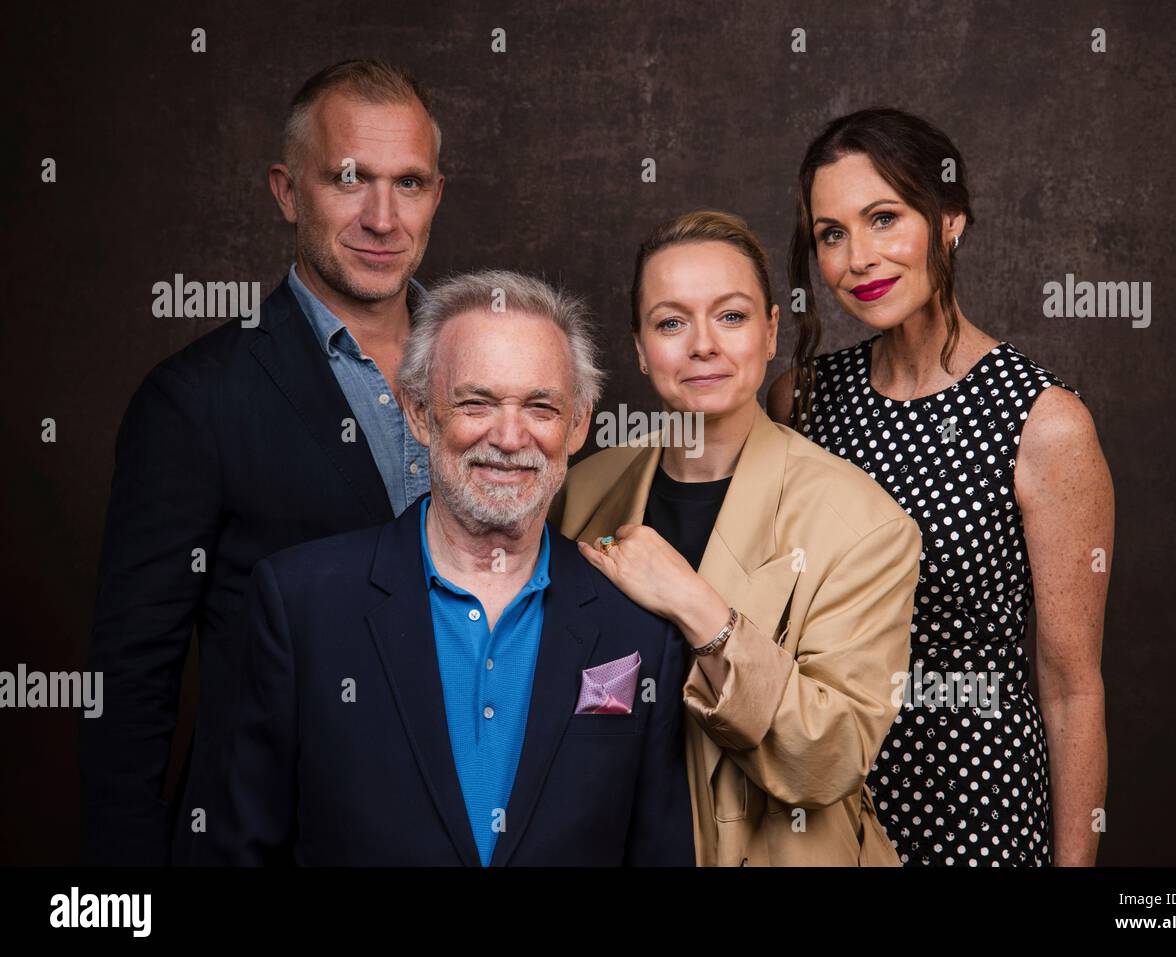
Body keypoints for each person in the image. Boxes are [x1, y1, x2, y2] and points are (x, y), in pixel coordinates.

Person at [82, 59, 445, 865]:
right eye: (350, 179)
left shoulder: (489, 374)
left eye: (409, 183)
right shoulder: (195, 401)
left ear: (435, 196)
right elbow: (132, 684)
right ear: (287, 191)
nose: (383, 217)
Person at [210, 271, 695, 866]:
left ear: (578, 425)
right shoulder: (300, 605)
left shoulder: (639, 631)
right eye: (476, 402)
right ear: (418, 413)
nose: (510, 437)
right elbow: (242, 854)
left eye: (540, 407)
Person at [771, 107, 1113, 866]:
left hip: (974, 808)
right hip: (823, 804)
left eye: (883, 218)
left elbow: (1070, 687)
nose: (858, 258)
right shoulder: (802, 400)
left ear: (949, 219)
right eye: (831, 234)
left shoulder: (1044, 423)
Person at [551, 210, 921, 866]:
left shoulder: (865, 523)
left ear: (772, 329)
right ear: (639, 346)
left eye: (730, 315)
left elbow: (827, 758)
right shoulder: (584, 489)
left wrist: (699, 608)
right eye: (670, 321)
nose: (702, 345)